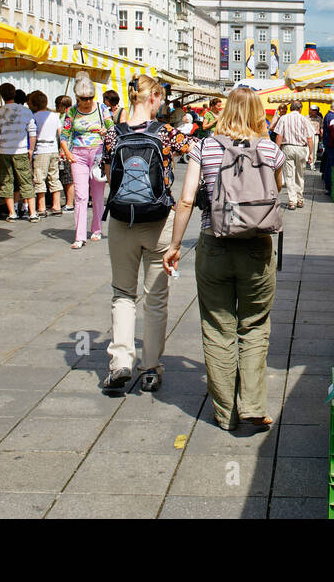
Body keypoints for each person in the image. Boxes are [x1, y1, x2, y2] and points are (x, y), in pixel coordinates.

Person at [164, 86, 285, 430]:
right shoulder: (271, 150)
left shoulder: (204, 147)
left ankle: (224, 413)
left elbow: (186, 200)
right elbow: (275, 194)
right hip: (257, 247)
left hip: (213, 242)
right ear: (258, 113)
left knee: (218, 327)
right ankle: (252, 406)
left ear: (225, 110)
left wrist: (174, 246)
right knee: (255, 324)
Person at [100, 74, 192, 392]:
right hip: (159, 222)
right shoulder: (165, 133)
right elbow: (194, 151)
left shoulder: (114, 133)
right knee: (156, 298)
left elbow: (106, 172)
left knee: (123, 294)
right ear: (153, 97)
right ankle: (150, 367)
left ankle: (121, 362)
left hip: (122, 221)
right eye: (161, 99)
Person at [59, 72, 114, 249]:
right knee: (81, 195)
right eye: (84, 98)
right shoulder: (71, 112)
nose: (88, 101)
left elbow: (112, 129)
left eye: (90, 97)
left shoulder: (101, 109)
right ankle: (80, 235)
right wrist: (67, 152)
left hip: (98, 154)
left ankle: (96, 229)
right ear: (77, 97)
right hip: (78, 155)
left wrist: (107, 132)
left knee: (97, 195)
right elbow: (64, 135)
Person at [0, 82, 37, 221]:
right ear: (14, 94)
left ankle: (12, 213)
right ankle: (32, 213)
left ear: (1, 95)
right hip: (21, 150)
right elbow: (32, 132)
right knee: (26, 180)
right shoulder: (25, 111)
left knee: (7, 180)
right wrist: (31, 149)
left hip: (4, 151)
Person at [273, 100, 314, 208]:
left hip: (288, 147)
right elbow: (310, 138)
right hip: (301, 148)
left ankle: (292, 201)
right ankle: (300, 199)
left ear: (290, 108)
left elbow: (279, 136)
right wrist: (310, 153)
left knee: (289, 175)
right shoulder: (304, 119)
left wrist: (277, 150)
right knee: (300, 174)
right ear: (300, 108)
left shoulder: (283, 118)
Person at [29, 90, 63, 218]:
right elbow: (60, 133)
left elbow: (32, 135)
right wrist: (62, 148)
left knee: (39, 178)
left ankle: (42, 207)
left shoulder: (34, 117)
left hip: (41, 149)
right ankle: (57, 205)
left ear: (33, 104)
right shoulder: (55, 116)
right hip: (53, 148)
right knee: (54, 177)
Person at [54, 94, 76, 212]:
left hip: (67, 149)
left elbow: (63, 135)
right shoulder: (71, 114)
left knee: (68, 178)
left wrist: (62, 150)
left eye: (57, 105)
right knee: (68, 177)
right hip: (70, 149)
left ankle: (69, 204)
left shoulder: (67, 116)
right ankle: (70, 202)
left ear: (62, 105)